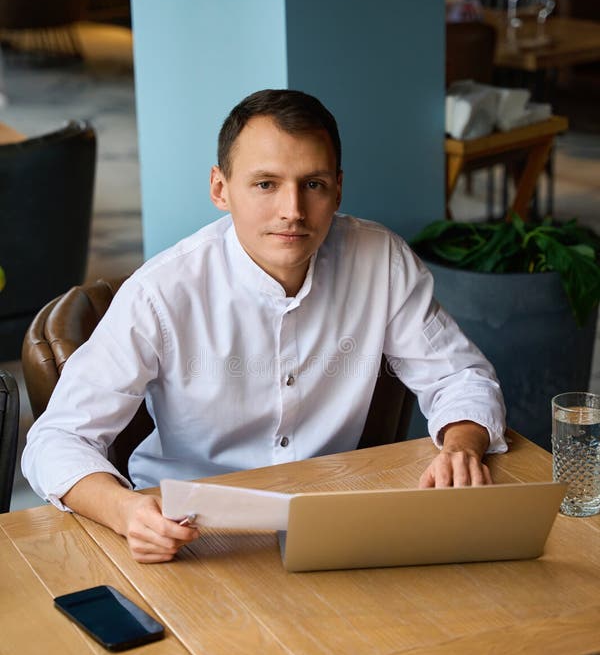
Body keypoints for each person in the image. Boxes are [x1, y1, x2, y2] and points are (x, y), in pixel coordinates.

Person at [23, 88, 507, 565]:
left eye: (312, 184)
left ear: (338, 187)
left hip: (333, 526)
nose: (292, 210)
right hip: (191, 538)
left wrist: (462, 448)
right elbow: (57, 440)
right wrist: (125, 510)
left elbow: (459, 377)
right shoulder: (163, 291)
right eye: (265, 184)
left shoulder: (380, 260)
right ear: (220, 189)